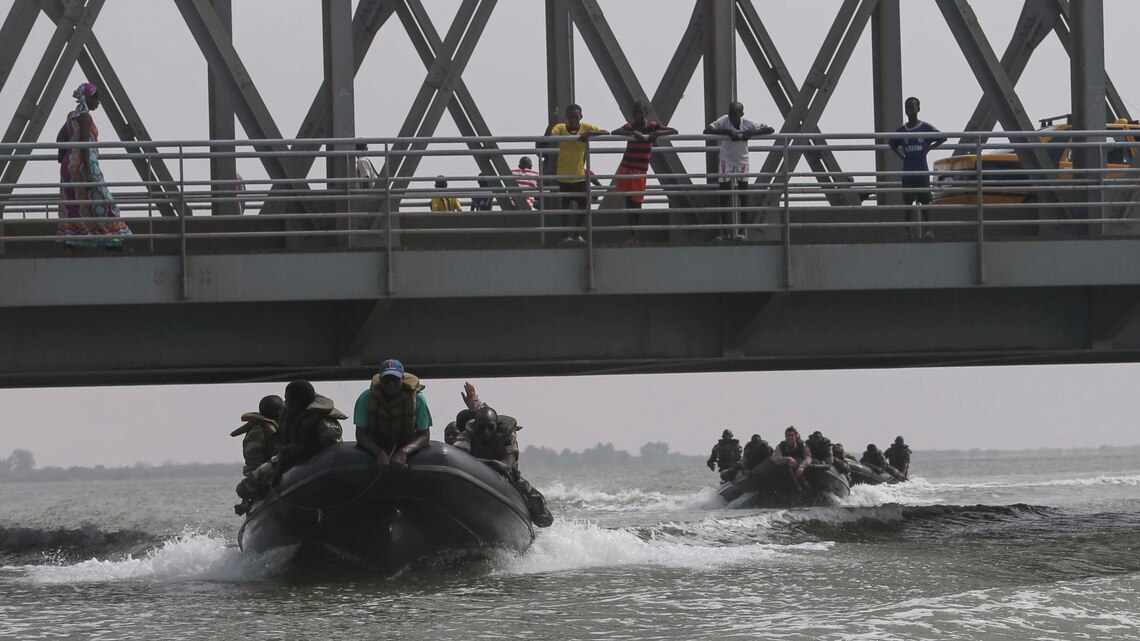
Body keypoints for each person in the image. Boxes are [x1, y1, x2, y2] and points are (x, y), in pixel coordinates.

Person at [235, 380, 345, 502]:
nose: (286, 403)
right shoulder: (289, 416)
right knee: (243, 489)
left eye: (288, 399)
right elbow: (280, 442)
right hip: (289, 458)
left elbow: (335, 451)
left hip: (314, 462)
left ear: (298, 401)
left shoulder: (323, 422)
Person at [55, 82, 132, 251]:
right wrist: (89, 171)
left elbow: (60, 138)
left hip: (69, 165)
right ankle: (112, 241)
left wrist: (63, 157)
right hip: (84, 164)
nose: (99, 101)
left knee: (73, 204)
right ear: (88, 98)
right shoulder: (86, 118)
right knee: (105, 202)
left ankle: (69, 242)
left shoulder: (71, 116)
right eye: (96, 98)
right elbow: (84, 143)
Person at [453, 404, 554, 527]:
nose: (486, 432)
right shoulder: (468, 433)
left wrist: (481, 462)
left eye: (490, 427)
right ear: (475, 426)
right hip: (474, 471)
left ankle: (535, 520)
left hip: (508, 477)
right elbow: (459, 450)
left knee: (534, 499)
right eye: (481, 428)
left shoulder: (508, 439)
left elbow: (505, 467)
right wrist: (488, 462)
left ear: (496, 426)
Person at [703, 101, 774, 242]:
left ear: (741, 114)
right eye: (730, 114)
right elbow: (707, 130)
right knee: (724, 196)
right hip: (726, 160)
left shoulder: (747, 123)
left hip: (742, 161)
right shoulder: (724, 120)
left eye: (735, 115)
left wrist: (751, 133)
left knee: (743, 195)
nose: (732, 118)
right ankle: (725, 232)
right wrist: (727, 132)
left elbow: (770, 129)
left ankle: (742, 231)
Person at [612, 102, 678, 245]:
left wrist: (657, 133)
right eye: (636, 113)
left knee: (637, 202)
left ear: (645, 113)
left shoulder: (652, 126)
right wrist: (633, 133)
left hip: (640, 169)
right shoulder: (631, 126)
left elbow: (674, 131)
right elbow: (615, 132)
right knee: (629, 203)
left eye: (641, 112)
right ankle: (634, 234)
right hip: (627, 167)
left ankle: (636, 234)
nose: (638, 115)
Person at [353, 358, 432, 472]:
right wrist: (379, 453)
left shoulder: (418, 399)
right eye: (387, 380)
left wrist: (404, 452)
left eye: (395, 379)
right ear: (380, 379)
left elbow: (424, 435)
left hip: (407, 447)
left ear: (402, 379)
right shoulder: (366, 398)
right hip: (375, 447)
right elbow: (361, 434)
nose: (391, 384)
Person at [550, 104, 608, 244]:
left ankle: (576, 235)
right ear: (566, 117)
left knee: (583, 204)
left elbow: (606, 132)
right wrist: (553, 120)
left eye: (576, 117)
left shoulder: (586, 127)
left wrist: (590, 134)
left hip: (579, 175)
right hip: (564, 175)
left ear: (581, 117)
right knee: (565, 206)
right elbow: (551, 136)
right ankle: (565, 236)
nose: (573, 120)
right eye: (570, 117)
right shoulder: (561, 128)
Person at [889, 97, 945, 240]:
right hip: (908, 172)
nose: (909, 110)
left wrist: (929, 148)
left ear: (918, 109)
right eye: (907, 107)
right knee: (908, 202)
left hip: (921, 170)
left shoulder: (925, 127)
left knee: (925, 200)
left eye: (912, 107)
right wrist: (902, 156)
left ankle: (928, 229)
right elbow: (891, 144)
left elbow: (942, 137)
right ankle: (907, 230)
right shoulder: (902, 130)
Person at [229, 394, 283, 515]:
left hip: (277, 469)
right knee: (244, 489)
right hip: (262, 473)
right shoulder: (257, 431)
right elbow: (254, 462)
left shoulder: (280, 427)